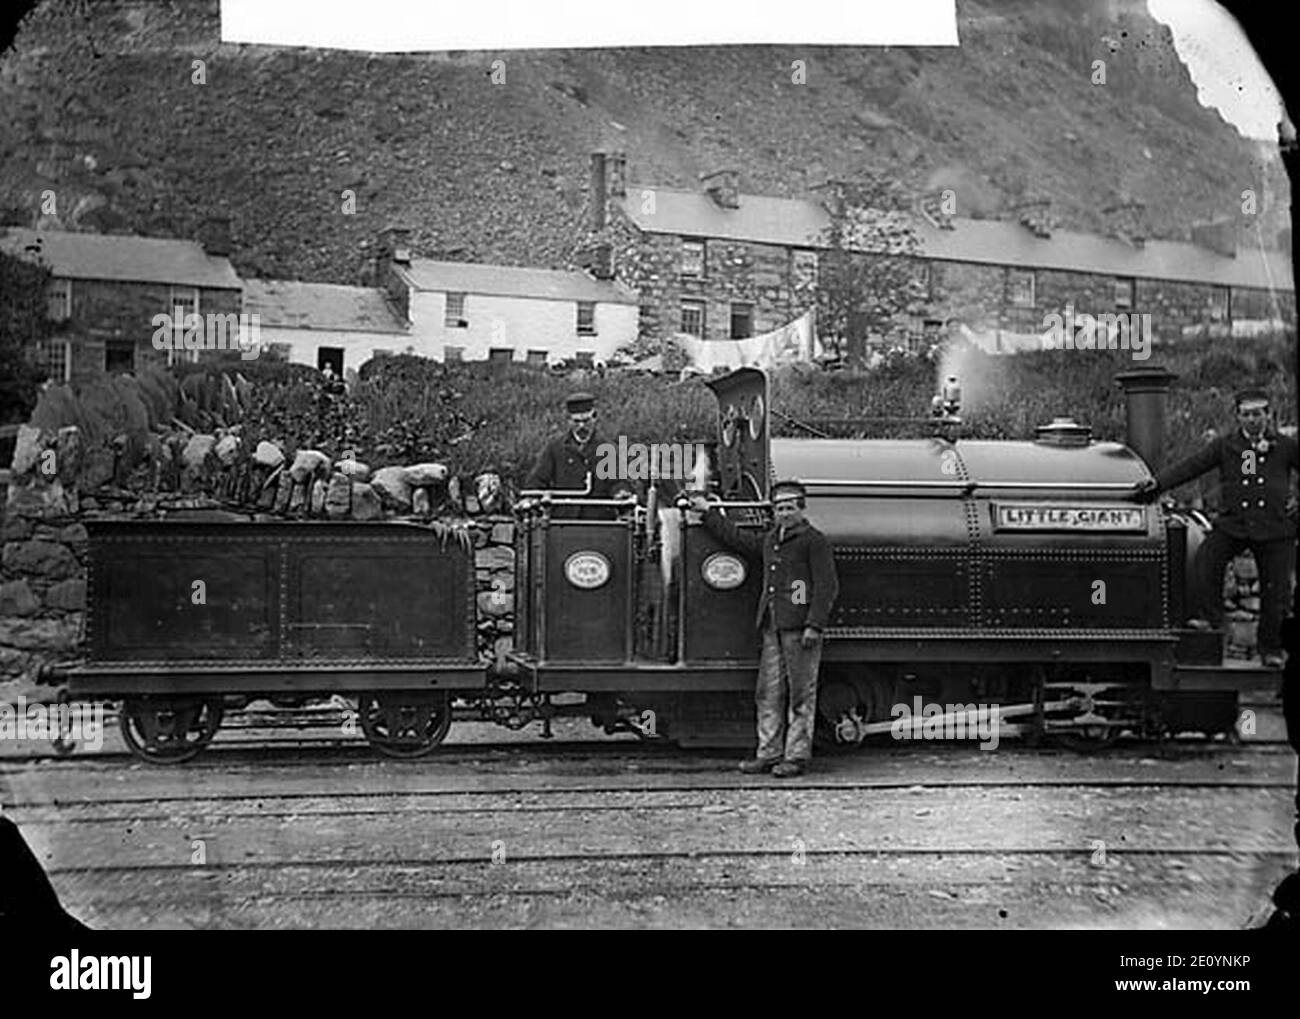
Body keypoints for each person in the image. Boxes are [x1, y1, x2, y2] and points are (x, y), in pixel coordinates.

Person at [1136, 388, 1298, 667]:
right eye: (1246, 415)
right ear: (1238, 417)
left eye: (1258, 414)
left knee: (1277, 592)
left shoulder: (1284, 446)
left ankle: (1270, 650)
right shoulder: (1226, 446)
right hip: (1234, 524)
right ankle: (1211, 623)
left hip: (1274, 529)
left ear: (1268, 416)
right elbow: (1193, 466)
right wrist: (1158, 484)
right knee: (1205, 562)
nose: (1252, 420)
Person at [688, 480, 840, 777]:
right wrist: (708, 513)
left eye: (789, 508)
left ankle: (796, 756)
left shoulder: (814, 541)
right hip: (773, 626)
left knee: (800, 694)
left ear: (801, 509)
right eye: (779, 508)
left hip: (800, 630)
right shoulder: (772, 539)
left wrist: (814, 624)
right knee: (768, 692)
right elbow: (738, 539)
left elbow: (827, 586)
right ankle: (768, 753)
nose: (784, 513)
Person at [525, 392, 614, 499]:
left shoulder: (608, 448)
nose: (581, 426)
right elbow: (538, 479)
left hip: (598, 513)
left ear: (594, 418)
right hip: (564, 512)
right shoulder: (555, 448)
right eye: (576, 421)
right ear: (568, 420)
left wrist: (621, 492)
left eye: (586, 421)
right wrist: (531, 496)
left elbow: (618, 482)